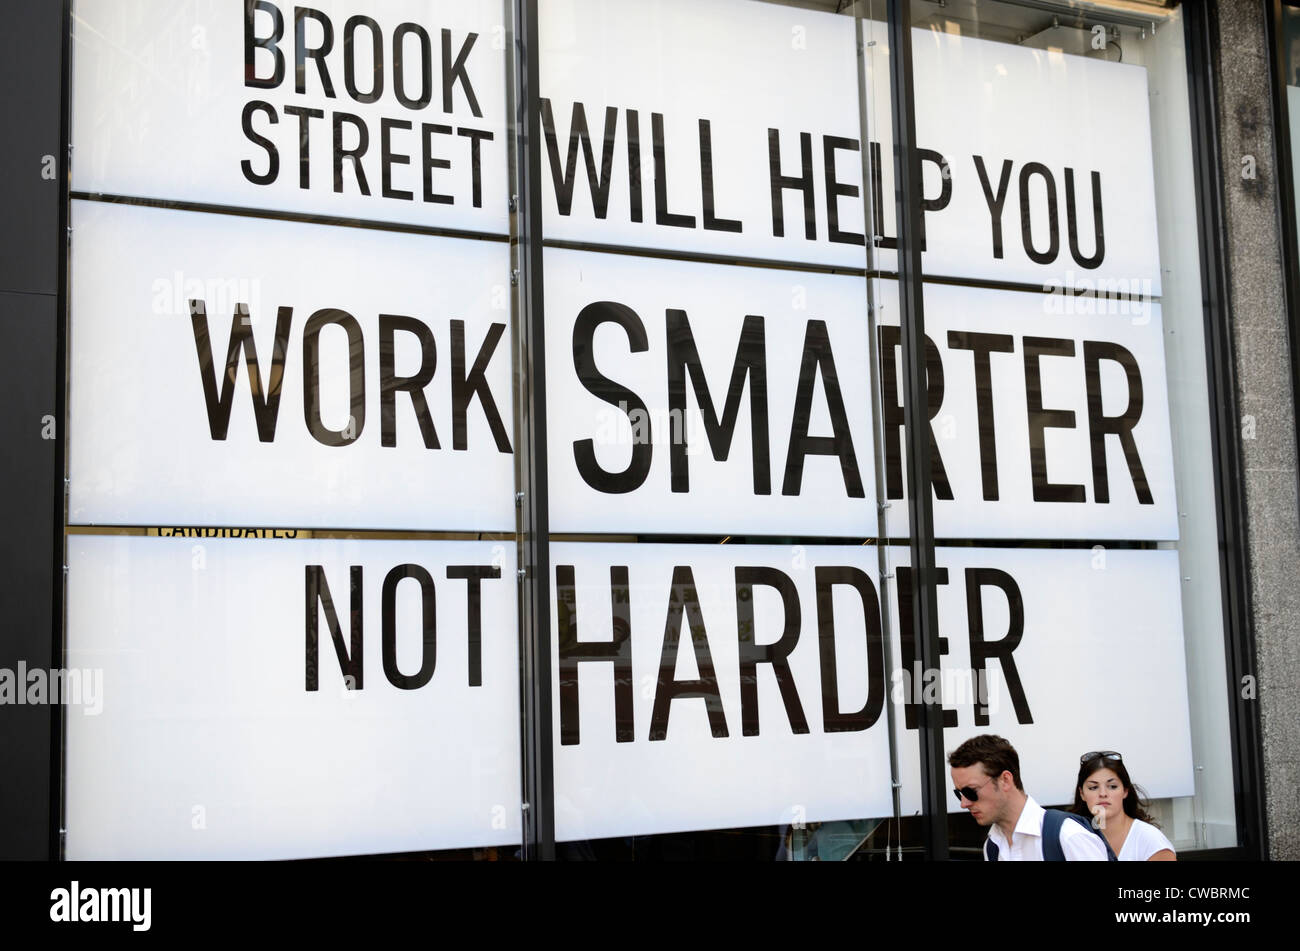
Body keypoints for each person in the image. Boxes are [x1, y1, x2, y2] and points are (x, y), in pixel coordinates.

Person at [949, 734, 1108, 861]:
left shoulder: (1068, 835)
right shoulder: (993, 847)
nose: (964, 803)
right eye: (959, 794)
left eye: (970, 792)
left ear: (1005, 780)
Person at [1072, 751, 1176, 861]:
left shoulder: (1151, 841)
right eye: (1093, 787)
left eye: (1112, 786)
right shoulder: (1074, 838)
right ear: (1082, 793)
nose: (1103, 793)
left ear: (1125, 791)